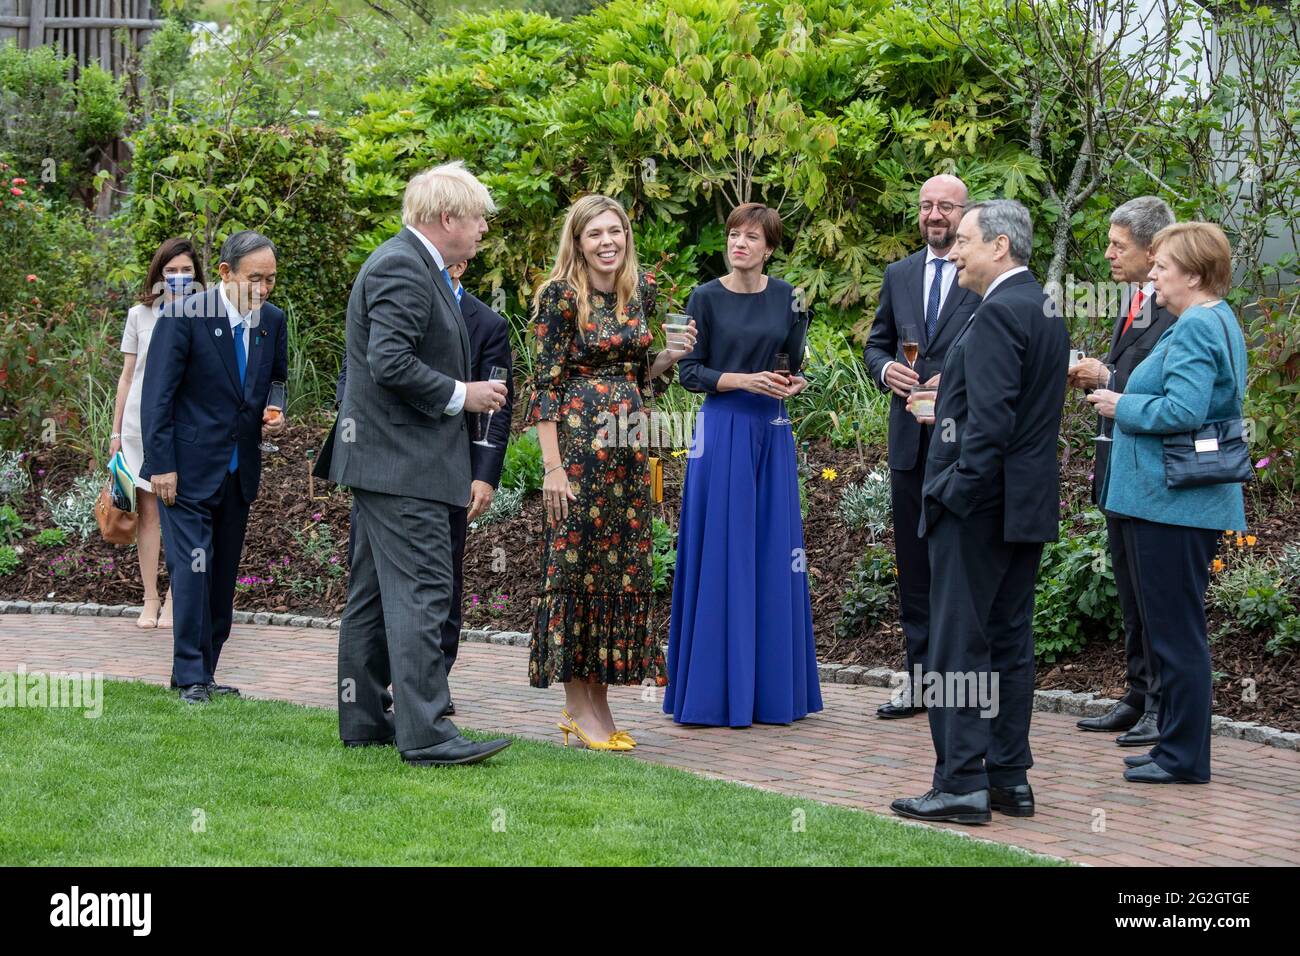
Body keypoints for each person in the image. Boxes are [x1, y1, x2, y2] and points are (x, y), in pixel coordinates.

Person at [891, 200, 1068, 824]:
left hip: (980, 508)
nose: (953, 251)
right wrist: (953, 404)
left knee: (957, 646)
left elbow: (990, 428)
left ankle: (961, 781)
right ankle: (1009, 779)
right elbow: (1016, 411)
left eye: (963, 240)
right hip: (1026, 503)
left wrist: (952, 491)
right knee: (1010, 641)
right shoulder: (1045, 309)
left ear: (999, 246)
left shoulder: (997, 314)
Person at [330, 162, 512, 766]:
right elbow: (389, 362)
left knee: (374, 597)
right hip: (403, 463)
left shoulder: (407, 263)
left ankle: (363, 720)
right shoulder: (402, 266)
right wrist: (466, 394)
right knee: (423, 592)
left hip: (387, 461)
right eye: (479, 216)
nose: (484, 228)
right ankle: (429, 732)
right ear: (447, 219)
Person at [527, 194, 694, 751]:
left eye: (615, 231)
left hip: (629, 452)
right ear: (577, 242)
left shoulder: (639, 291)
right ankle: (578, 707)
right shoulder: (558, 297)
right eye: (595, 233)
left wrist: (669, 356)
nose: (608, 242)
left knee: (617, 573)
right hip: (578, 453)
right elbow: (544, 387)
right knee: (578, 572)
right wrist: (552, 467)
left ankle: (598, 703)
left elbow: (642, 378)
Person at [1087, 222, 1246, 785]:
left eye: (1163, 267)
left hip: (1173, 506)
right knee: (1170, 631)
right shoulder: (1205, 320)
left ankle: (1183, 758)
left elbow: (1183, 410)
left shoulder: (1199, 325)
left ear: (1194, 275)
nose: (1152, 274)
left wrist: (1121, 403)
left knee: (1176, 634)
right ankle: (1174, 748)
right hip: (1166, 504)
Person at [663, 202, 823, 727]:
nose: (740, 244)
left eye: (752, 237)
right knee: (723, 552)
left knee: (774, 551)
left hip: (771, 432)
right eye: (734, 235)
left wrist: (792, 385)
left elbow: (792, 365)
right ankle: (712, 692)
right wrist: (741, 380)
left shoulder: (790, 297)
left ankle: (773, 693)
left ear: (769, 248)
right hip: (723, 430)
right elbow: (689, 372)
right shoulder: (704, 298)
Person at [140, 230, 288, 704]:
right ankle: (189, 676)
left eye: (270, 280)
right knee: (192, 570)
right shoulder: (184, 315)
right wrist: (161, 464)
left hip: (238, 470)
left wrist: (276, 410)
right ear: (225, 273)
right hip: (183, 472)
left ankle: (206, 670)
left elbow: (277, 380)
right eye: (254, 279)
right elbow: (157, 397)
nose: (263, 290)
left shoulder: (273, 321)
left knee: (221, 573)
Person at [863, 174, 981, 719]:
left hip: (963, 447)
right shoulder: (900, 273)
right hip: (910, 443)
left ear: (965, 213)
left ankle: (957, 688)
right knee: (913, 569)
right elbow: (877, 341)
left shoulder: (981, 274)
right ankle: (919, 681)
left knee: (958, 566)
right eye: (927, 206)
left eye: (946, 207)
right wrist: (885, 367)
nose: (935, 216)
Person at [1070, 196, 1177, 747]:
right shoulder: (1132, 298)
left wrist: (1104, 371)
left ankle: (1164, 704)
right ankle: (1138, 694)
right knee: (1130, 590)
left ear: (1153, 248)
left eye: (1119, 245)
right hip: (1117, 464)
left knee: (1156, 594)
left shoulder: (1180, 308)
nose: (1109, 253)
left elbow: (1163, 387)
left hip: (1153, 472)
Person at [110, 238, 205, 630]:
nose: (179, 278)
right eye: (171, 271)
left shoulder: (208, 313)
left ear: (197, 275)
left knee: (179, 516)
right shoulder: (140, 314)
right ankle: (150, 597)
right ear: (158, 274)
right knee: (148, 514)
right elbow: (128, 375)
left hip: (187, 427)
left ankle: (173, 600)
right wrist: (115, 433)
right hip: (140, 426)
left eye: (186, 271)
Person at [441, 258, 515, 713]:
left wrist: (484, 474)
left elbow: (497, 404)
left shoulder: (488, 323)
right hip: (390, 463)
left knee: (445, 577)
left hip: (456, 468)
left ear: (461, 266)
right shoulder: (396, 304)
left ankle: (435, 681)